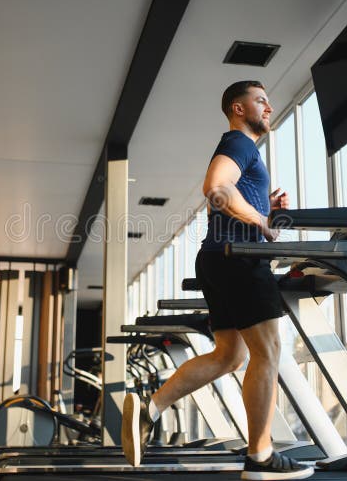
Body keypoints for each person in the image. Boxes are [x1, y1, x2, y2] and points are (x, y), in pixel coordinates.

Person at [121, 81, 314, 480]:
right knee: (269, 351)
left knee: (231, 355)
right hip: (240, 259)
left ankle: (150, 410)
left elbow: (229, 194)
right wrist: (260, 220)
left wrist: (265, 205)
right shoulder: (240, 143)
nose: (269, 105)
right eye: (260, 100)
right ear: (239, 109)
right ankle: (261, 458)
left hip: (218, 256)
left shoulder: (245, 150)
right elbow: (216, 188)